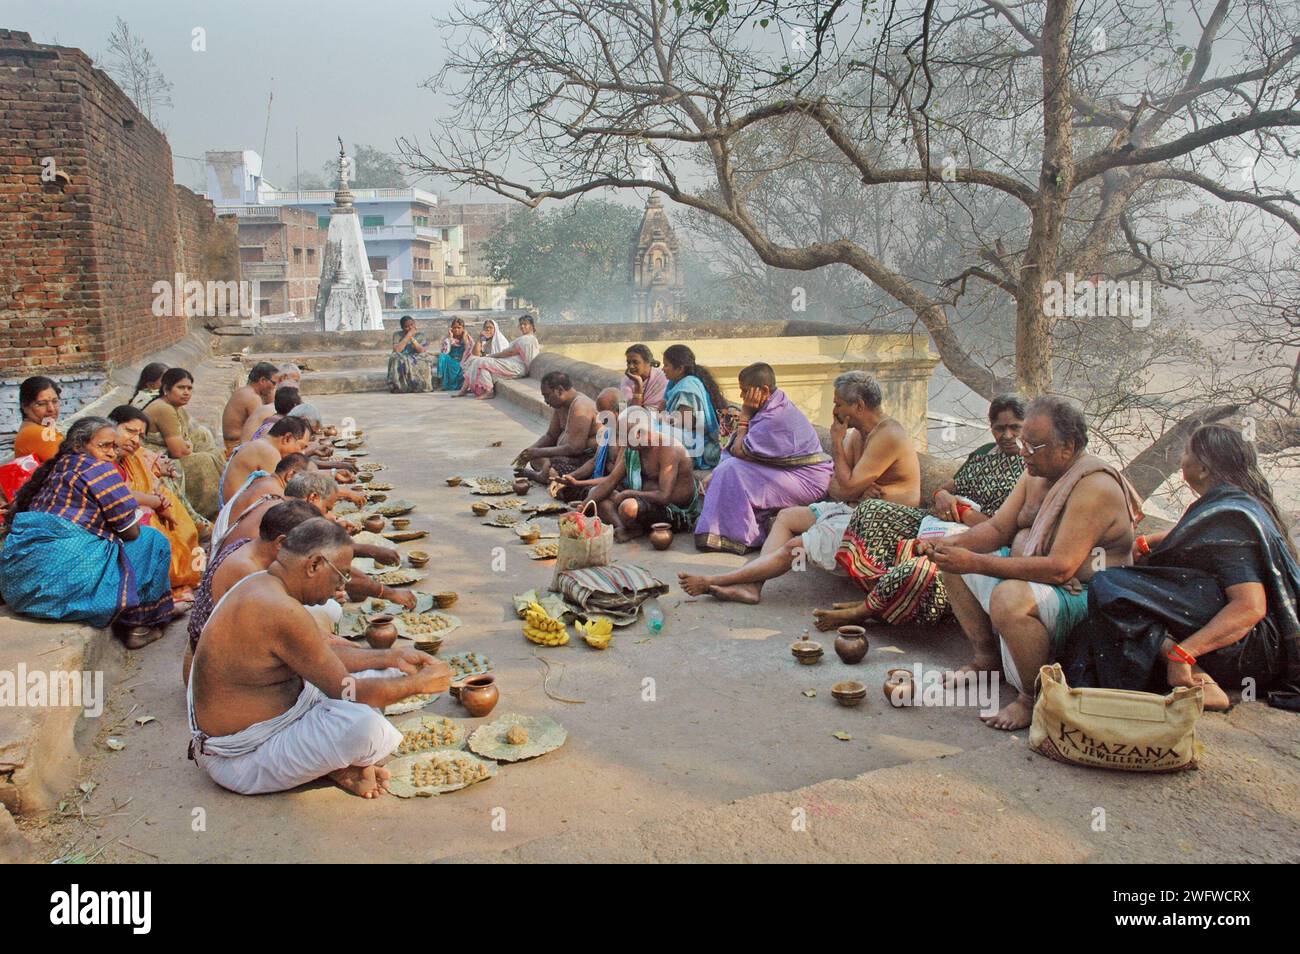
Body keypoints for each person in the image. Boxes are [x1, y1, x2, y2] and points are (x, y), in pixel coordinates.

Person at [188, 518, 451, 797]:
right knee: (367, 729)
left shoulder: (263, 583)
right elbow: (351, 691)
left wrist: (392, 657)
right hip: (240, 758)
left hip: (278, 718)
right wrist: (420, 685)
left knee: (383, 677)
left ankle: (331, 763)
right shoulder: (278, 609)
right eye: (341, 576)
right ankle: (331, 764)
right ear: (313, 565)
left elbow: (320, 658)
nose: (340, 588)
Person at [925, 396, 1144, 731]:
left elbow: (1059, 568)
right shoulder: (1036, 472)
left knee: (1008, 598)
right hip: (1042, 575)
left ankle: (1031, 697)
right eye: (1023, 442)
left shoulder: (1094, 486)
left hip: (1088, 594)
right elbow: (998, 528)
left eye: (1033, 445)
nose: (1022, 450)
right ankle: (986, 659)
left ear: (1067, 447)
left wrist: (977, 562)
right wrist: (947, 547)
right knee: (953, 564)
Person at [1060, 424, 1300, 712]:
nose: (1181, 458)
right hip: (1236, 643)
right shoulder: (1229, 507)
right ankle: (1195, 683)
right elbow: (1193, 539)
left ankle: (1194, 674)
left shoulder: (1231, 519)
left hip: (1250, 647)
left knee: (1111, 585)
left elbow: (1250, 607)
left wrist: (1184, 653)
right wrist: (1149, 543)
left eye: (1186, 451)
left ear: (1202, 469)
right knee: (1090, 631)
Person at [679, 371, 917, 603]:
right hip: (858, 509)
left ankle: (715, 580)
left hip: (886, 519)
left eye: (839, 405)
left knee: (794, 547)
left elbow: (847, 486)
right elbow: (837, 488)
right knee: (786, 518)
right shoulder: (857, 436)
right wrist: (854, 487)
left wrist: (840, 453)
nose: (834, 411)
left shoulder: (888, 434)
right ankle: (752, 587)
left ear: (859, 406)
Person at [812, 393, 1028, 629]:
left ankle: (865, 611)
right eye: (999, 429)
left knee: (922, 567)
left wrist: (964, 512)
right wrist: (941, 496)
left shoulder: (1031, 468)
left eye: (1015, 428)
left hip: (979, 537)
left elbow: (1003, 529)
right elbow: (946, 488)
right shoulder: (985, 452)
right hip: (945, 520)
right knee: (872, 510)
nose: (1007, 436)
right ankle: (879, 595)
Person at [0, 417, 176, 648]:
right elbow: (131, 533)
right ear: (78, 445)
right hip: (60, 593)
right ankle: (139, 626)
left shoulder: (55, 468)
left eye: (114, 447)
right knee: (152, 540)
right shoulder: (99, 470)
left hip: (19, 593)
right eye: (104, 446)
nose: (112, 453)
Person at [693, 363, 832, 554]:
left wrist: (745, 417)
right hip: (786, 473)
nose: (742, 397)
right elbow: (738, 451)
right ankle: (726, 531)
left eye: (744, 391)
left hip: (808, 481)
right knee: (728, 469)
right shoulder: (770, 405)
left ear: (764, 390)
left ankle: (740, 537)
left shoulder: (778, 416)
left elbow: (741, 451)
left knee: (732, 471)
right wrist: (716, 472)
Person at [183, 498, 320, 685]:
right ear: (282, 542)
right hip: (213, 677)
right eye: (308, 550)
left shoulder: (250, 546)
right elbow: (286, 631)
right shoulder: (247, 571)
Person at [108, 405, 202, 606]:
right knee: (148, 516)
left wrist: (160, 498)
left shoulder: (132, 456)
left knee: (169, 502)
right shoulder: (102, 457)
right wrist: (155, 502)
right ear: (110, 427)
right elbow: (118, 494)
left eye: (141, 436)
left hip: (136, 509)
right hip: (115, 523)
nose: (135, 440)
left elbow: (150, 472)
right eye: (130, 431)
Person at [588, 407, 701, 542]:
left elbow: (664, 497)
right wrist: (581, 508)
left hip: (674, 510)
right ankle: (626, 527)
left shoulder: (668, 448)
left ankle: (628, 526)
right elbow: (611, 481)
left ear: (638, 434)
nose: (621, 443)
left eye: (623, 437)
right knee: (597, 496)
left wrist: (629, 493)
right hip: (644, 500)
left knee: (628, 507)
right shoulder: (633, 448)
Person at [142, 368, 226, 521]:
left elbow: (186, 439)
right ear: (166, 389)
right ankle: (205, 515)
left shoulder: (175, 408)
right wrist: (187, 446)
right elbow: (179, 452)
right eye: (181, 388)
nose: (186, 392)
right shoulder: (163, 409)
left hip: (168, 454)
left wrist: (187, 445)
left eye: (189, 388)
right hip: (155, 461)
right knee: (205, 461)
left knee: (207, 442)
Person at [210, 451, 311, 550]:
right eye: (308, 481)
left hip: (224, 548)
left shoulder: (265, 480)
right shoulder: (275, 493)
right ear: (290, 475)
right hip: (225, 553)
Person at [514, 372, 600, 483]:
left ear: (559, 390)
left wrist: (539, 452)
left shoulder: (580, 406)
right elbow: (551, 436)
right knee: (535, 459)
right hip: (567, 456)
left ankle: (542, 475)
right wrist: (528, 453)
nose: (546, 400)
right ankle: (546, 473)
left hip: (585, 459)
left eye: (547, 395)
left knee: (553, 467)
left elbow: (575, 448)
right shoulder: (560, 405)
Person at [219, 416, 312, 507]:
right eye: (302, 447)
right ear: (287, 438)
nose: (302, 453)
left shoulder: (263, 444)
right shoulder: (268, 452)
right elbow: (280, 493)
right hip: (233, 515)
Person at [662, 345, 728, 470]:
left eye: (666, 365)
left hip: (695, 438)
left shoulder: (688, 385)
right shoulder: (674, 383)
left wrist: (662, 417)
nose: (663, 369)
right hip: (681, 432)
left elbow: (686, 422)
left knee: (650, 435)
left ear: (680, 368)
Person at [555, 388, 623, 502]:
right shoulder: (607, 431)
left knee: (597, 495)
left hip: (616, 485)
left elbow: (613, 479)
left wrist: (578, 483)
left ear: (619, 411)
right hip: (601, 479)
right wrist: (569, 477)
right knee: (559, 474)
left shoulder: (628, 439)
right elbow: (594, 462)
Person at [458, 315, 541, 399]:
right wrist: (480, 339)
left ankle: (480, 391)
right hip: (507, 364)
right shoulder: (523, 338)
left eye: (525, 324)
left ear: (531, 326)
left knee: (479, 361)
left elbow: (508, 353)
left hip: (516, 367)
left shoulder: (527, 339)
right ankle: (479, 390)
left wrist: (490, 356)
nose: (522, 326)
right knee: (480, 366)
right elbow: (475, 353)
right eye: (521, 324)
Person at [221, 362, 278, 453]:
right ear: (262, 380)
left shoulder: (244, 391)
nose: (274, 387)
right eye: (274, 383)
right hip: (236, 445)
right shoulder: (252, 398)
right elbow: (262, 427)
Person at [13, 376, 63, 462]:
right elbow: (72, 466)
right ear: (25, 406)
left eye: (55, 401)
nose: (51, 409)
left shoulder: (30, 429)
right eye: (41, 404)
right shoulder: (38, 433)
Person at [387, 315, 434, 393]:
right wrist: (408, 335)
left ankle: (421, 386)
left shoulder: (420, 335)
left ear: (415, 324)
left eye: (412, 325)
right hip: (402, 356)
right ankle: (400, 387)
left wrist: (412, 338)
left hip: (415, 357)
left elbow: (422, 350)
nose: (410, 328)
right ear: (402, 327)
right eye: (407, 326)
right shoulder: (397, 335)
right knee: (395, 357)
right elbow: (397, 350)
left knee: (425, 358)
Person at [622, 344, 669, 412]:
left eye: (635, 362)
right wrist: (638, 384)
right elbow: (632, 411)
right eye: (628, 363)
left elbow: (662, 409)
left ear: (648, 362)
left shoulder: (662, 377)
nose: (631, 366)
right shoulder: (626, 380)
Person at [436, 317, 470, 392]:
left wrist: (464, 338)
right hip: (451, 361)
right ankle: (441, 383)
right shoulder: (448, 339)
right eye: (454, 328)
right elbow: (445, 352)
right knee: (442, 357)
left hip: (463, 362)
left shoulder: (467, 339)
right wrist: (450, 338)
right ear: (451, 329)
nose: (456, 330)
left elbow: (469, 351)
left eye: (459, 327)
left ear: (463, 329)